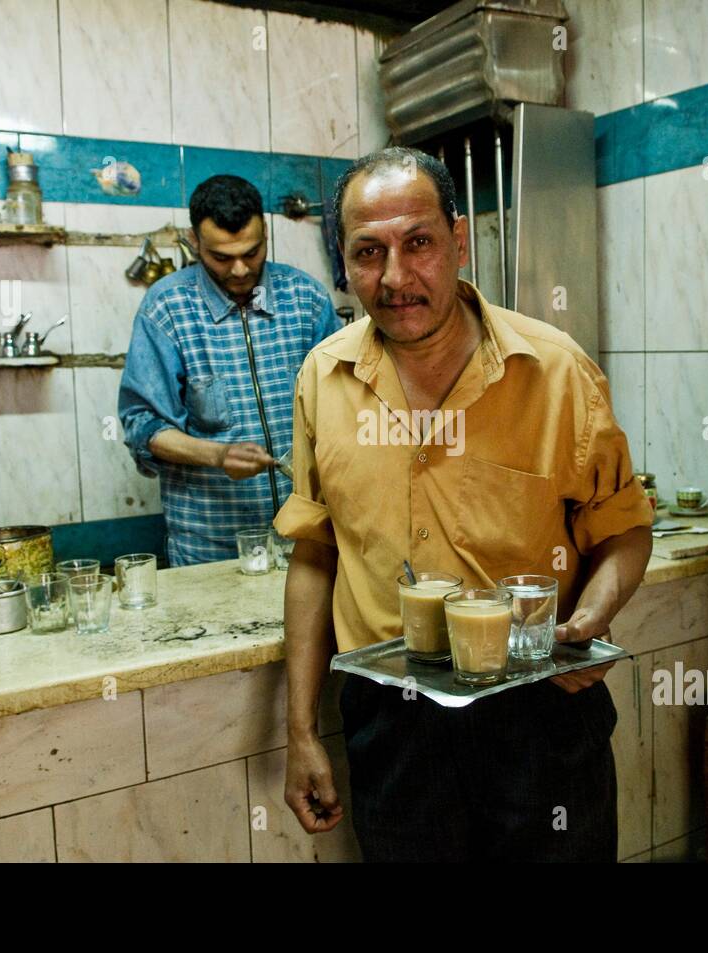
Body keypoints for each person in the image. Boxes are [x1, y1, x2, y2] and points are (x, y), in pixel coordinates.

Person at [274, 147, 655, 862]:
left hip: (540, 717)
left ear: (459, 239)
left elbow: (625, 530)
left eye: (418, 243)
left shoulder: (556, 371)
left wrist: (594, 616)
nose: (395, 277)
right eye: (368, 252)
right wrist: (300, 731)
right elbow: (314, 555)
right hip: (394, 727)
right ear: (345, 262)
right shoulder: (322, 378)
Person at [119, 175, 343, 565]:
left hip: (309, 541)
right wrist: (218, 455)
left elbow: (347, 403)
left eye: (252, 253)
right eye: (222, 257)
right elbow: (143, 426)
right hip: (211, 548)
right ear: (194, 241)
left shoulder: (306, 299)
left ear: (266, 232)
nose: (240, 270)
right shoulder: (167, 309)